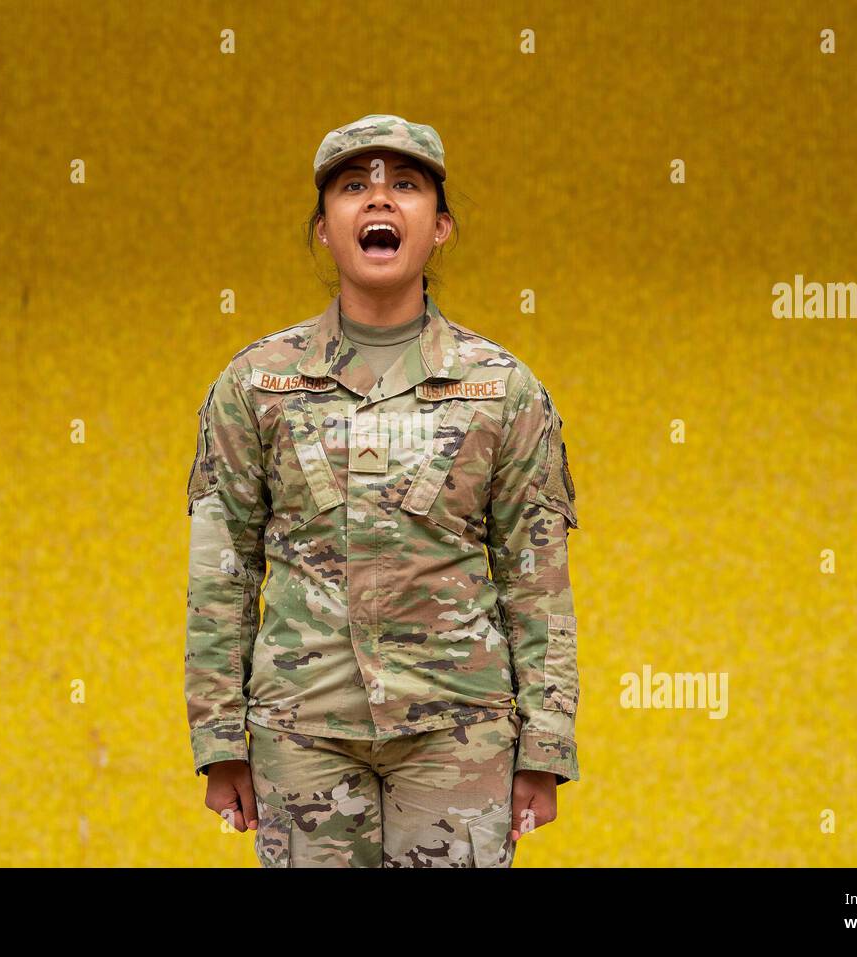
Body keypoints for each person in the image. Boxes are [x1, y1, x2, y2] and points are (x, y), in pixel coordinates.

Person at [184, 113, 580, 868]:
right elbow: (221, 574)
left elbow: (538, 583)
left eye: (406, 184)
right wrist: (219, 738)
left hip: (459, 731)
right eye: (351, 186)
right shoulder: (255, 385)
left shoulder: (502, 389)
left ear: (441, 229)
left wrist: (546, 744)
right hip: (301, 730)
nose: (379, 201)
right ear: (325, 230)